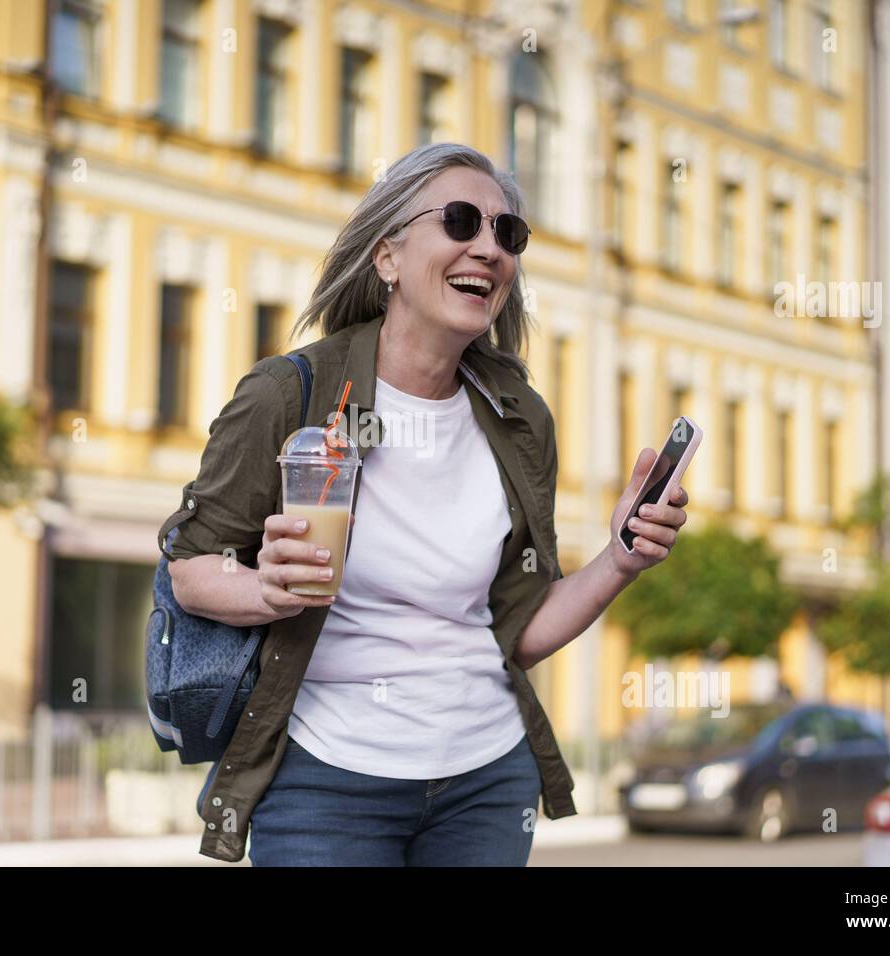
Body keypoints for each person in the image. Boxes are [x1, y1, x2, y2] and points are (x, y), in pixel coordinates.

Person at [163, 142, 689, 866]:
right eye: (463, 222)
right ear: (388, 257)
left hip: (486, 779)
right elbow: (191, 565)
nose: (490, 249)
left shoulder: (520, 417)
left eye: (508, 235)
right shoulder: (292, 394)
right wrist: (265, 588)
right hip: (325, 781)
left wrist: (622, 558)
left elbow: (519, 632)